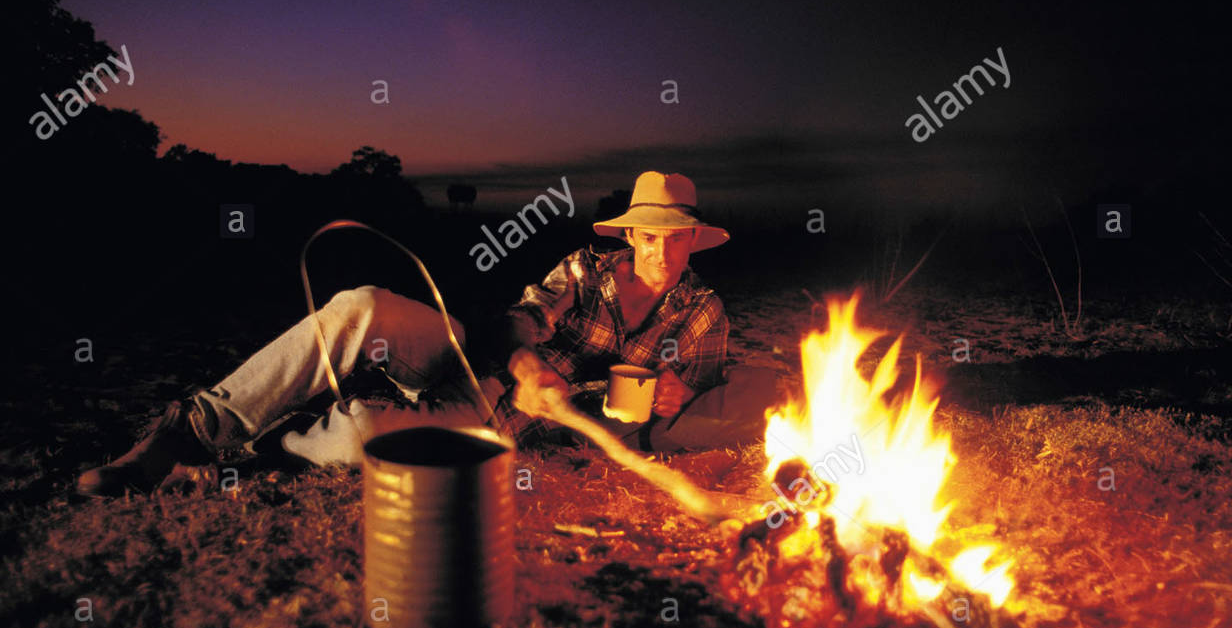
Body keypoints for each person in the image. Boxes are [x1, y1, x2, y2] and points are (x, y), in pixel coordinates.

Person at [76, 171, 780, 496]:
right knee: (360, 306)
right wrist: (526, 362)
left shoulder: (703, 313)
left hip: (501, 421)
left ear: (694, 240)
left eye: (676, 237)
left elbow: (703, 389)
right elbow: (518, 319)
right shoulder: (582, 269)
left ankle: (272, 449)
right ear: (629, 235)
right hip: (477, 356)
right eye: (650, 235)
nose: (662, 250)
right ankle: (188, 431)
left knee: (362, 436)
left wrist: (677, 393)